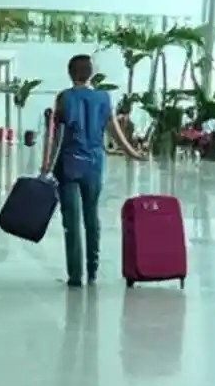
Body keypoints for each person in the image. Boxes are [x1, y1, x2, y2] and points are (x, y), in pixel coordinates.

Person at [41, 54, 144, 288]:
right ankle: (93, 271)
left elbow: (54, 135)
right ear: (91, 73)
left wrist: (46, 163)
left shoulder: (64, 98)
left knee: (72, 221)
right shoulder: (103, 98)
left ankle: (75, 276)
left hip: (67, 164)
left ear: (70, 73)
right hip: (94, 164)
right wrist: (132, 153)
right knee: (92, 217)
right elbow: (114, 131)